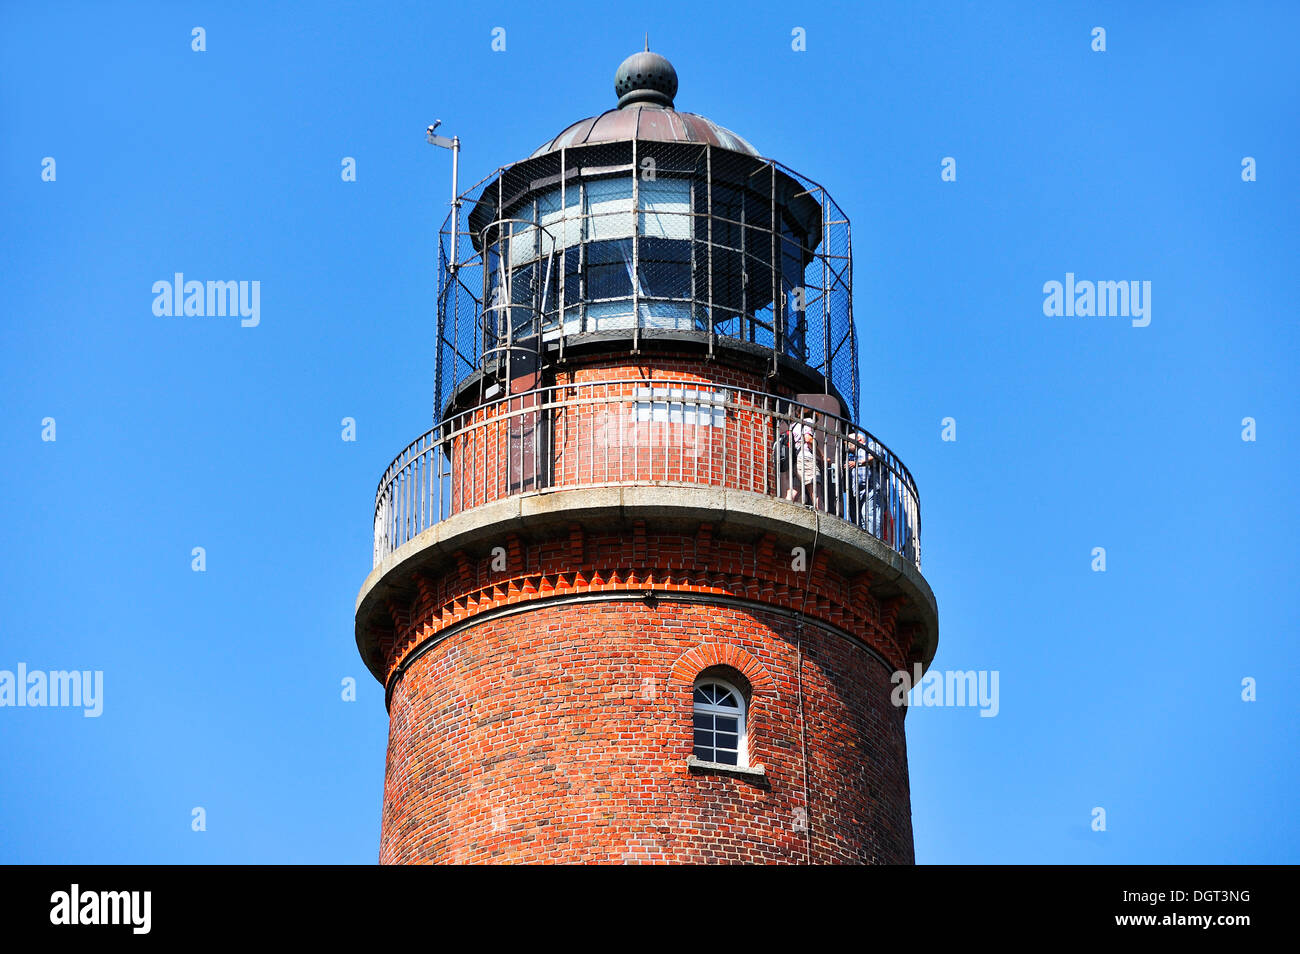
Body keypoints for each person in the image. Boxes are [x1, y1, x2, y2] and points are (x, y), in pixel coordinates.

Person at [846, 430, 883, 537]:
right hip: (857, 492)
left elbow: (875, 457)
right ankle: (863, 537)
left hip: (870, 487)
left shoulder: (871, 445)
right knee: (860, 518)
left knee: (870, 515)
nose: (846, 444)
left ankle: (874, 539)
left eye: (848, 441)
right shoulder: (852, 456)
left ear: (859, 440)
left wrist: (859, 463)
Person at [785, 417, 821, 508]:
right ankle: (819, 514)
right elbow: (808, 439)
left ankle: (786, 509)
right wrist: (822, 455)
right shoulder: (808, 421)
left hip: (796, 461)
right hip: (806, 458)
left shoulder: (793, 425)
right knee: (814, 489)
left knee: (794, 490)